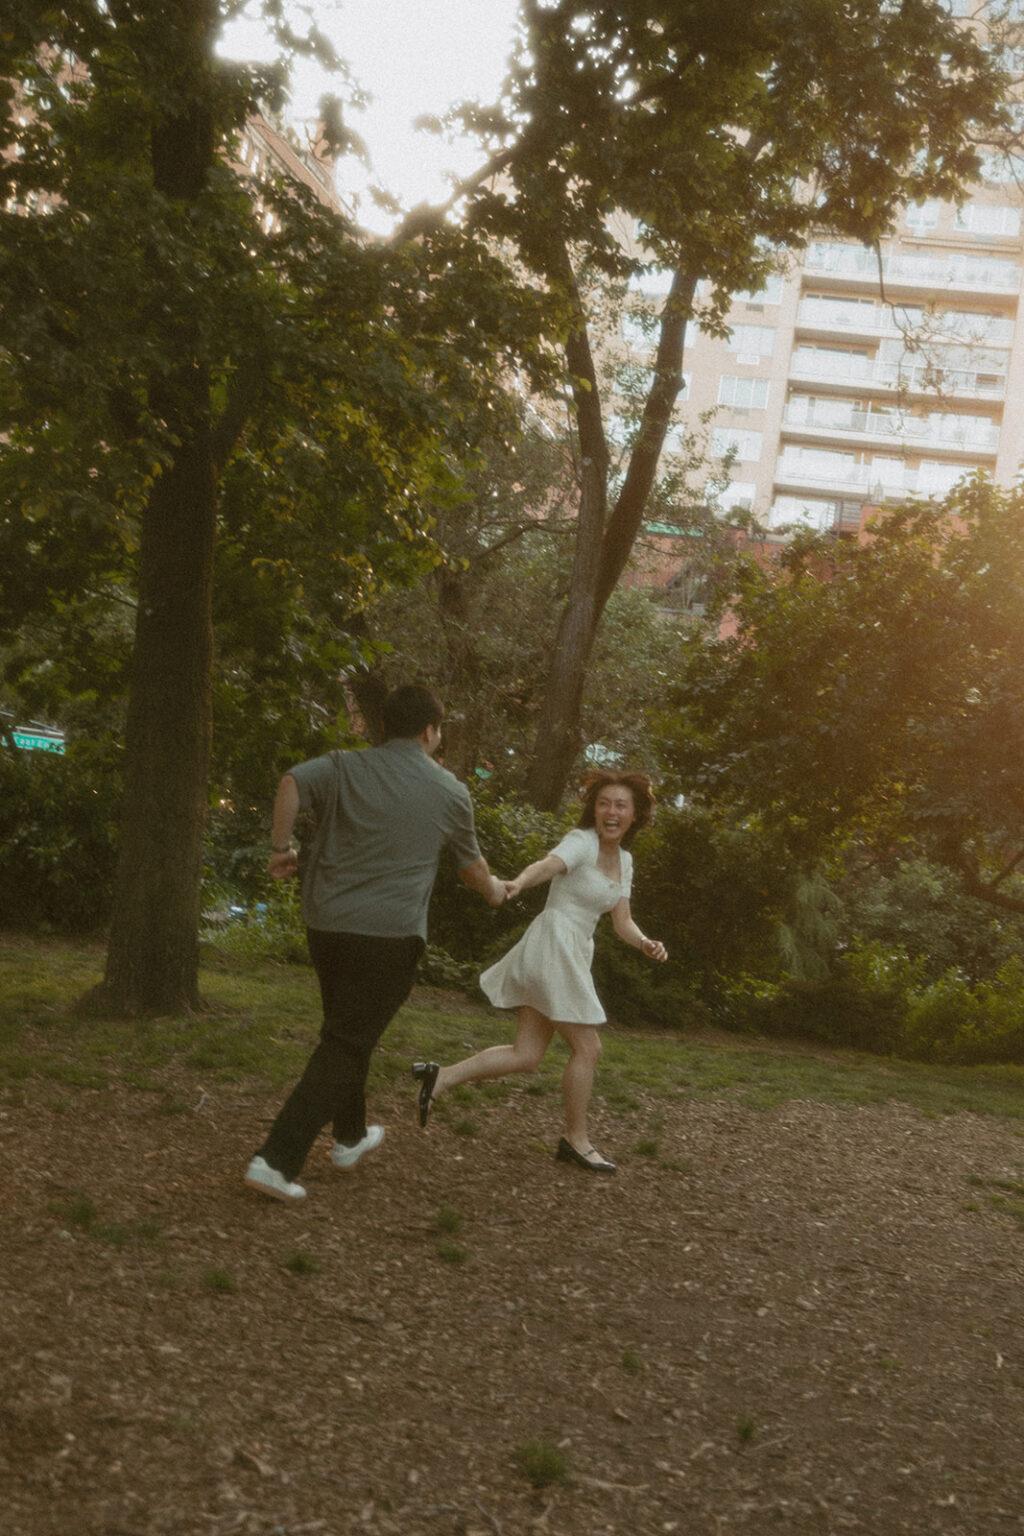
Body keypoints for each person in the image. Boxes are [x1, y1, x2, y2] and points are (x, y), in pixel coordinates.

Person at [245, 684, 505, 1202]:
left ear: (384, 727)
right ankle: (275, 1160)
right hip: (389, 936)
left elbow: (291, 782)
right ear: (431, 731)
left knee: (346, 1031)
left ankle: (349, 1137)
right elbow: (473, 870)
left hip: (326, 925)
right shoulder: (449, 791)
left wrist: (281, 848)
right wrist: (498, 892)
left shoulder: (343, 765)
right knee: (346, 1042)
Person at [412, 769, 667, 1174]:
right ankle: (576, 1140)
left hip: (573, 951)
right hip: (554, 943)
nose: (611, 811)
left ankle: (439, 1077)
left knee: (527, 1054)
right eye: (604, 803)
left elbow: (622, 922)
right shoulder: (581, 841)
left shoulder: (625, 861)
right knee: (589, 1048)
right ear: (594, 810)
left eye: (621, 805)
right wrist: (516, 883)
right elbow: (548, 865)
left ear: (635, 815)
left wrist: (646, 942)